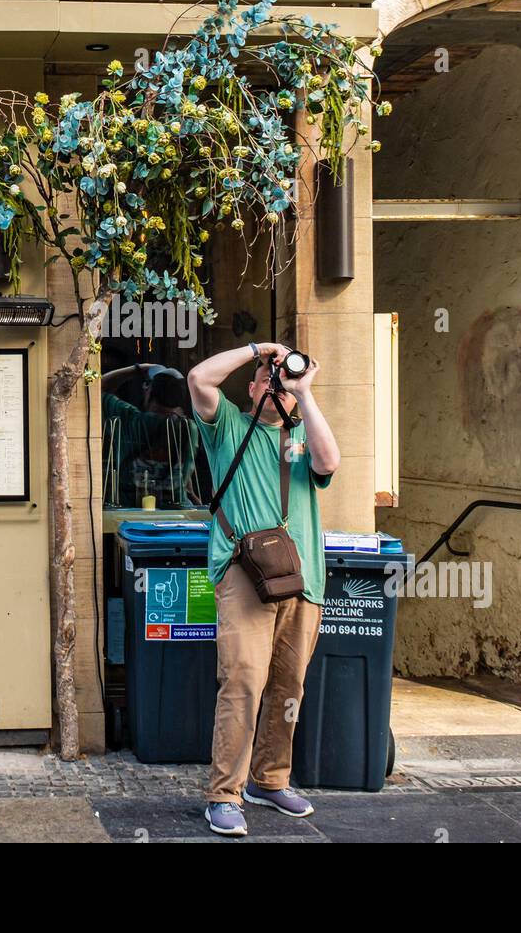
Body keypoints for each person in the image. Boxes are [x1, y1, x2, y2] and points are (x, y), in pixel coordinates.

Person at [187, 341, 340, 837]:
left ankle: (269, 780)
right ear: (252, 387)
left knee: (288, 686)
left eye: (281, 383)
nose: (274, 386)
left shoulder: (299, 435)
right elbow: (198, 380)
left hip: (304, 579)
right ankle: (224, 793)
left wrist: (303, 393)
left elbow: (329, 460)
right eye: (265, 379)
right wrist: (258, 351)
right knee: (243, 681)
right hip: (243, 573)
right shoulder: (227, 428)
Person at [101, 362, 199, 508]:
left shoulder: (130, 420)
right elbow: (184, 476)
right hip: (178, 512)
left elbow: (97, 387)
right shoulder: (190, 428)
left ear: (150, 392)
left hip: (133, 514)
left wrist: (137, 369)